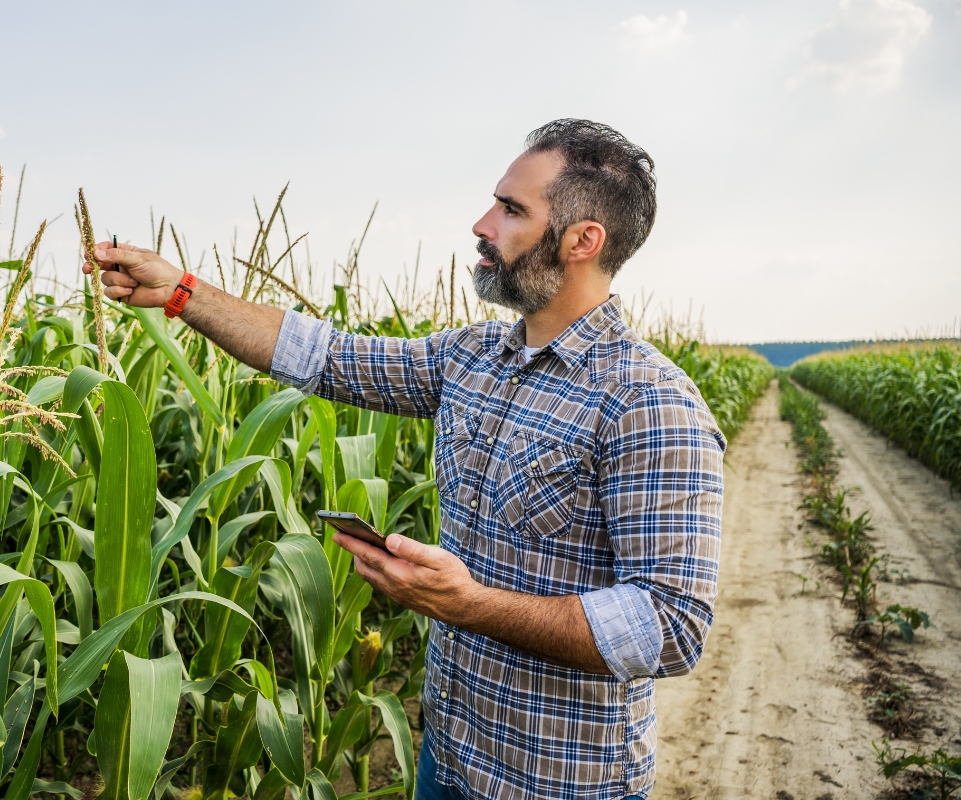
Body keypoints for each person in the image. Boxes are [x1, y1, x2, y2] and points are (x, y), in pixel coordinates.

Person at [85, 118, 724, 800]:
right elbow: (325, 356)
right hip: (446, 758)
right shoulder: (472, 358)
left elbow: (670, 626)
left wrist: (467, 605)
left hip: (557, 781)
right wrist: (180, 292)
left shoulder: (649, 403)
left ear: (582, 240)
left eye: (512, 210)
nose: (483, 223)